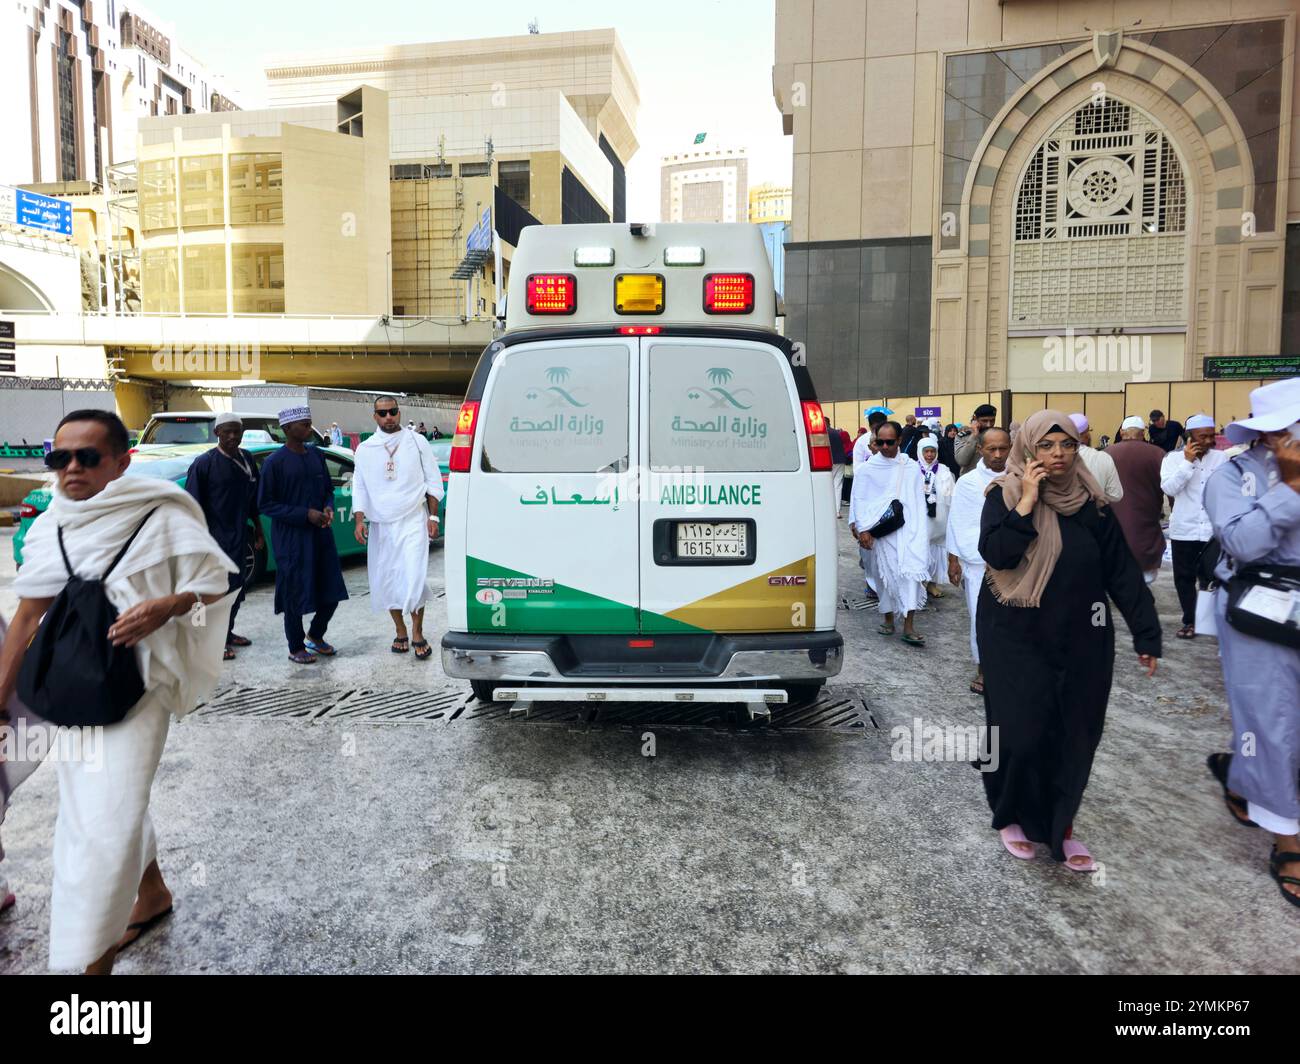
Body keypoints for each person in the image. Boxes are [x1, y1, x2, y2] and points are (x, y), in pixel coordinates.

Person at [0, 410, 235, 972]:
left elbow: (214, 585)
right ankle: (150, 893)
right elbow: (26, 617)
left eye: (88, 457)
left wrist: (167, 607)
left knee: (98, 830)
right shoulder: (51, 525)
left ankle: (81, 969)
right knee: (105, 803)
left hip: (141, 690)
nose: (71, 468)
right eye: (60, 457)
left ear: (122, 460)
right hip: (72, 687)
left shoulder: (161, 514)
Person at [977, 410, 1160, 869]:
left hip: (1082, 635)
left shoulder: (1091, 504)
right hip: (1014, 635)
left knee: (1076, 733)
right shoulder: (1005, 495)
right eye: (1046, 446)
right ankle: (1010, 814)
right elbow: (997, 553)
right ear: (1029, 449)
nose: (1058, 455)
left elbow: (1120, 570)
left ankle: (1060, 828)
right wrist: (1028, 503)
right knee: (1020, 731)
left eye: (1067, 446)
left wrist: (1146, 632)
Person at [1202, 378, 1300, 909]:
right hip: (1262, 613)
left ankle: (1242, 776)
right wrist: (1290, 489)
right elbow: (1240, 542)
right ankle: (1289, 840)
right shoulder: (1235, 474)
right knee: (1271, 721)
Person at [352, 397, 445, 660]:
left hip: (414, 518)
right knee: (387, 580)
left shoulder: (417, 442)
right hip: (381, 524)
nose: (389, 417)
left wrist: (434, 518)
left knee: (414, 576)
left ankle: (417, 631)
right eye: (383, 413)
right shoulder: (366, 448)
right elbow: (359, 486)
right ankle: (400, 629)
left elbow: (433, 481)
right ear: (375, 417)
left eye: (393, 412)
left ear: (399, 412)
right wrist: (360, 519)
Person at [257, 406, 349, 664]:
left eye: (310, 423)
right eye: (304, 424)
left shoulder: (317, 456)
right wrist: (304, 514)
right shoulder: (274, 463)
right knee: (294, 593)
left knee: (331, 590)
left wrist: (328, 506)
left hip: (321, 536)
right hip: (292, 540)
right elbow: (266, 504)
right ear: (287, 429)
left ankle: (316, 635)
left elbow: (327, 490)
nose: (309, 428)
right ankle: (295, 646)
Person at [184, 412, 263, 660]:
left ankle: (226, 634)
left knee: (236, 589)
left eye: (236, 431)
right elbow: (191, 505)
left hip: (239, 537)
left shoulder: (247, 459)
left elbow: (253, 501)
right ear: (216, 433)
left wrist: (259, 530)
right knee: (206, 594)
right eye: (227, 431)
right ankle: (203, 640)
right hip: (211, 538)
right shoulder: (203, 464)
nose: (232, 436)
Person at [848, 421, 929, 646]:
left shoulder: (911, 467)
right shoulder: (868, 469)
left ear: (900, 440)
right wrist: (860, 527)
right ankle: (888, 619)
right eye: (880, 442)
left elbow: (917, 502)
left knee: (910, 577)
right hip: (880, 534)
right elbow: (858, 499)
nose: (884, 446)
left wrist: (920, 532)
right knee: (885, 577)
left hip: (909, 530)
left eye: (889, 442)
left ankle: (909, 626)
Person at [945, 427, 1010, 695]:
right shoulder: (968, 482)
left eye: (1003, 448)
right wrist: (953, 560)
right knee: (980, 619)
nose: (997, 455)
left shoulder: (1021, 479)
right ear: (980, 450)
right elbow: (956, 521)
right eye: (991, 449)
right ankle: (983, 669)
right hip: (976, 564)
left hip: (1013, 563)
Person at [1160, 413, 1226, 640]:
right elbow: (1169, 489)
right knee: (1184, 579)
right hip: (1184, 529)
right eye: (1202, 436)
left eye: (1211, 435)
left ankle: (1211, 621)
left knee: (1212, 578)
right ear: (1189, 437)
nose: (1208, 440)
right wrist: (1187, 463)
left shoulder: (1222, 458)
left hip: (1211, 531)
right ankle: (1191, 620)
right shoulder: (1173, 459)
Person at [1108, 414, 1166, 582]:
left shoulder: (1107, 453)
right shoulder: (1158, 453)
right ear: (1143, 434)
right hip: (1147, 523)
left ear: (1122, 432)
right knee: (1145, 577)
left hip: (1114, 522)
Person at [918, 440, 954, 599]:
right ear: (920, 452)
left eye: (932, 451)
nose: (929, 455)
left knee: (937, 549)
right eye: (926, 451)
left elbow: (950, 492)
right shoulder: (913, 470)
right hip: (920, 518)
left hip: (939, 518)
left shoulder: (944, 470)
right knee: (920, 548)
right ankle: (919, 584)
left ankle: (932, 583)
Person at [1068, 413, 1123, 502]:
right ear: (1086, 435)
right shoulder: (1103, 458)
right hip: (1094, 512)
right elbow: (1116, 495)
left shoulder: (1057, 457)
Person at [955, 403, 998, 475]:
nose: (989, 424)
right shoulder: (963, 436)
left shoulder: (997, 435)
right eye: (984, 421)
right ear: (975, 419)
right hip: (970, 481)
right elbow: (962, 461)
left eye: (992, 420)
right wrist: (974, 436)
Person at [826, 419, 847, 520]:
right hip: (840, 460)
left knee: (826, 486)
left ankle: (827, 510)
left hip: (828, 462)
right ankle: (837, 511)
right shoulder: (837, 432)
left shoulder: (822, 433)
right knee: (838, 486)